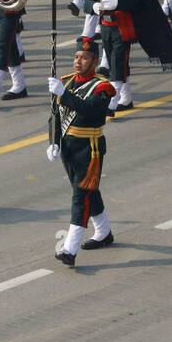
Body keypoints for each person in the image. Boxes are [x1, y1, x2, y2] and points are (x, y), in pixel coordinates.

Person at [46, 36, 116, 266]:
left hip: (89, 149)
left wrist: (64, 95)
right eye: (76, 57)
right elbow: (55, 116)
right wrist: (54, 141)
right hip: (69, 148)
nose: (78, 61)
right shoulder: (65, 82)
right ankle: (104, 232)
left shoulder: (103, 87)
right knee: (89, 192)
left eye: (84, 58)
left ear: (94, 61)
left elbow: (91, 111)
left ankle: (69, 249)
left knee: (80, 196)